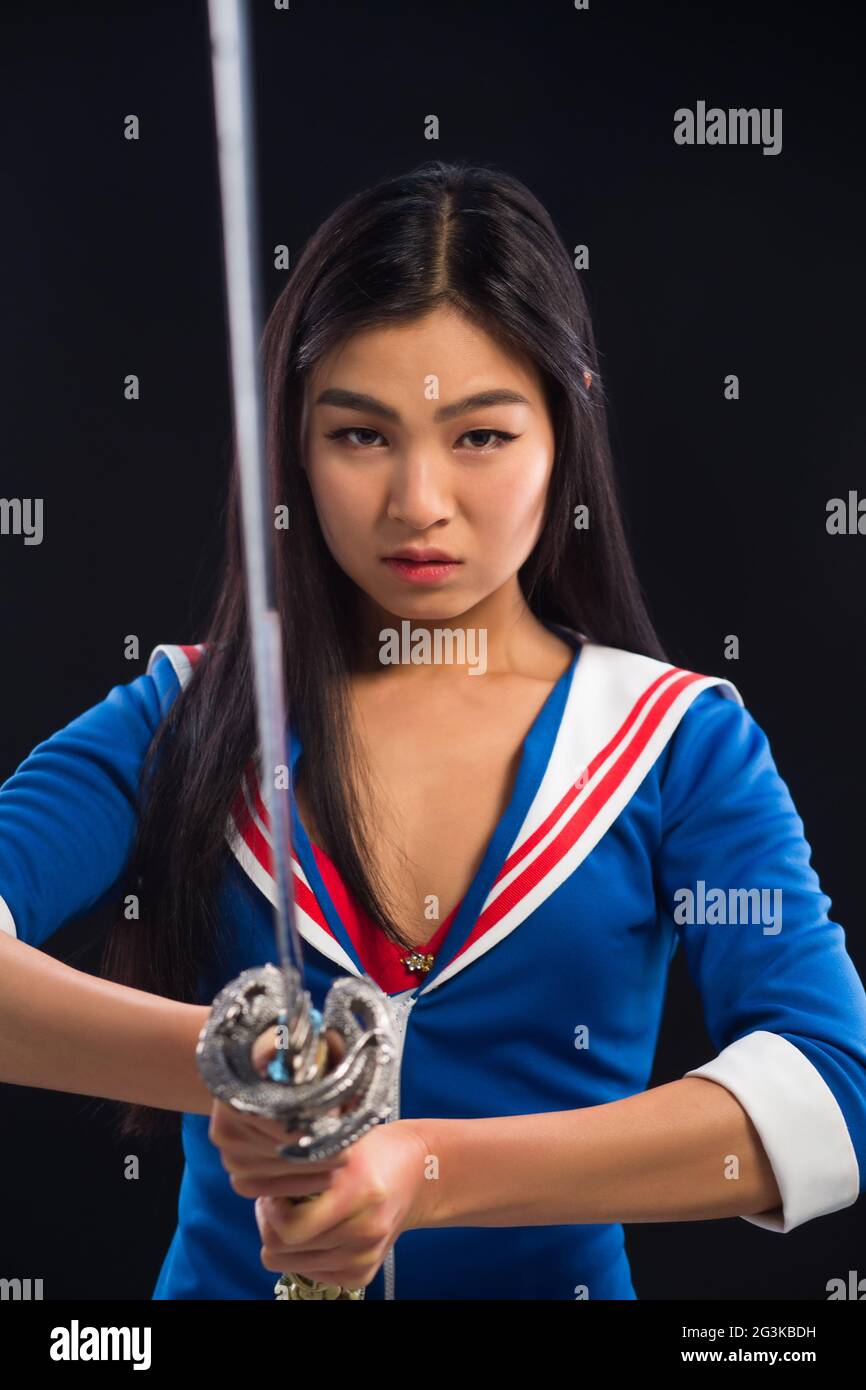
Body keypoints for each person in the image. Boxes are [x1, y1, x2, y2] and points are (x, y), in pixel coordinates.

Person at [1, 160, 864, 1301]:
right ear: (292, 444)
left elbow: (828, 1098)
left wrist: (429, 1172)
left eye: (480, 436)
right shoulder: (188, 713)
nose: (417, 502)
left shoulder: (675, 742)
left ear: (565, 425)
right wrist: (243, 1068)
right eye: (360, 435)